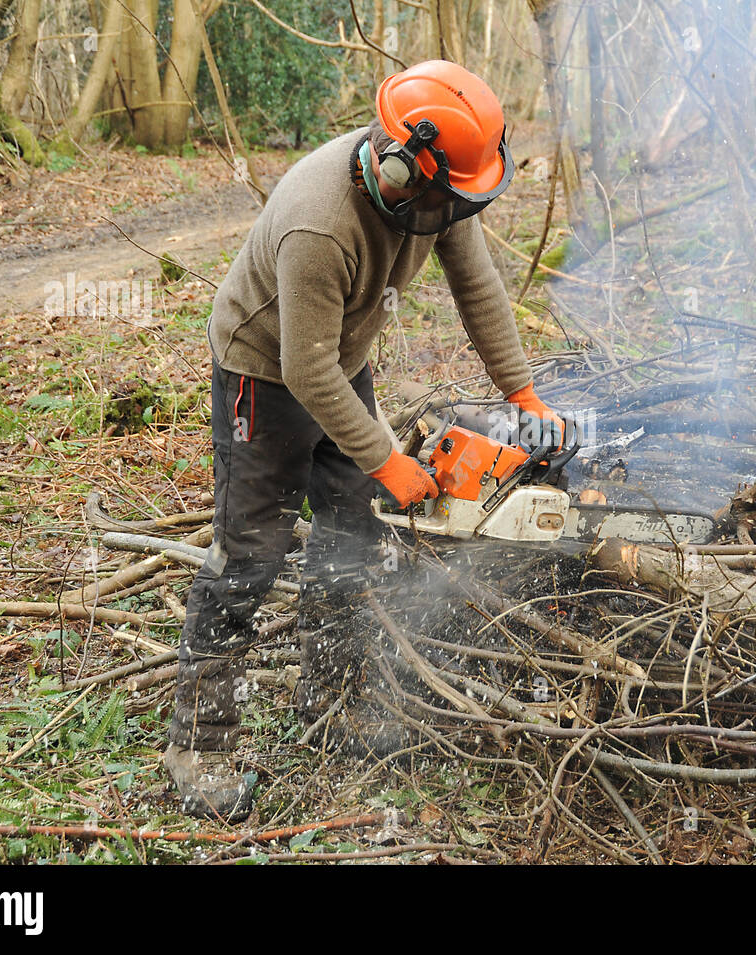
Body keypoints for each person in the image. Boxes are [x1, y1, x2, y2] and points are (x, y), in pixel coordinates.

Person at [163, 60, 565, 820]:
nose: (455, 212)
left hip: (338, 360)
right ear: (404, 166)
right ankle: (198, 743)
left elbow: (477, 288)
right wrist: (388, 459)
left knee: (354, 530)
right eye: (449, 198)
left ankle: (331, 697)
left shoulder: (440, 190)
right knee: (250, 555)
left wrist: (523, 393)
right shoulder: (323, 221)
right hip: (266, 370)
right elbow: (302, 365)